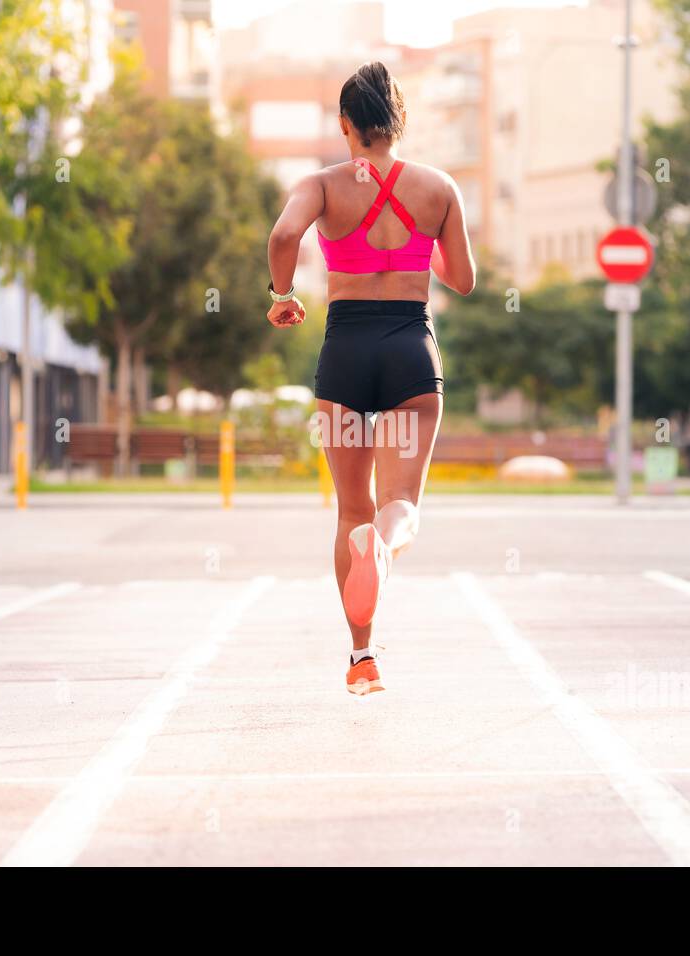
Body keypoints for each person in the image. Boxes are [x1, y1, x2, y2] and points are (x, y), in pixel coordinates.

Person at [265, 61, 476, 696]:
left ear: (346, 125)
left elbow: (283, 235)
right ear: (399, 122)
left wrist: (280, 295)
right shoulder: (439, 188)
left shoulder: (323, 185)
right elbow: (462, 280)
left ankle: (361, 656)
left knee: (351, 510)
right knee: (401, 505)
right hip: (410, 350)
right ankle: (382, 548)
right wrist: (423, 238)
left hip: (346, 352)